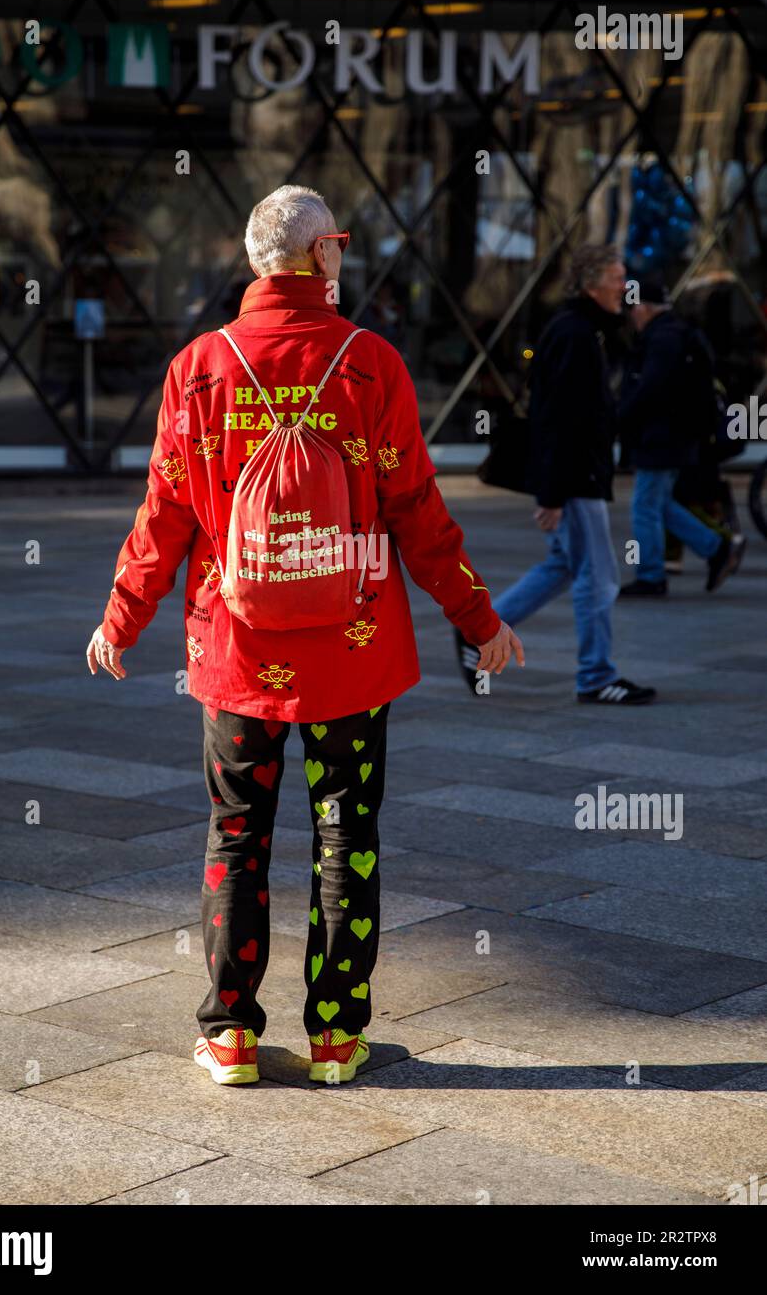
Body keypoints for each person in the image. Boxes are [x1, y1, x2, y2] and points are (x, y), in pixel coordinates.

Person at [86, 185, 524, 1087]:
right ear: (321, 256)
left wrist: (121, 615)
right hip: (352, 655)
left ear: (256, 263)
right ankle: (334, 1038)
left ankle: (232, 1037)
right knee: (345, 834)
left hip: (238, 645)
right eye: (340, 245)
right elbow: (418, 514)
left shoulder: (199, 366)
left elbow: (165, 511)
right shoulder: (372, 364)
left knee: (237, 834)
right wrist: (480, 620)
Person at [455, 244, 655, 706]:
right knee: (599, 578)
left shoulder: (586, 330)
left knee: (565, 565)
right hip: (576, 479)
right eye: (616, 277)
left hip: (577, 476)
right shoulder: (575, 334)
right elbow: (559, 419)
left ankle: (478, 632)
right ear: (591, 283)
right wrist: (553, 493)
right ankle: (596, 676)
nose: (625, 287)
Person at [617, 277, 745, 597]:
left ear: (645, 309)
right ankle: (717, 548)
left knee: (645, 505)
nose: (632, 315)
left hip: (660, 437)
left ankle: (651, 575)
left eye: (634, 308)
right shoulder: (677, 334)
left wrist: (619, 418)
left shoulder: (662, 340)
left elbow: (650, 389)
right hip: (673, 437)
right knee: (659, 503)